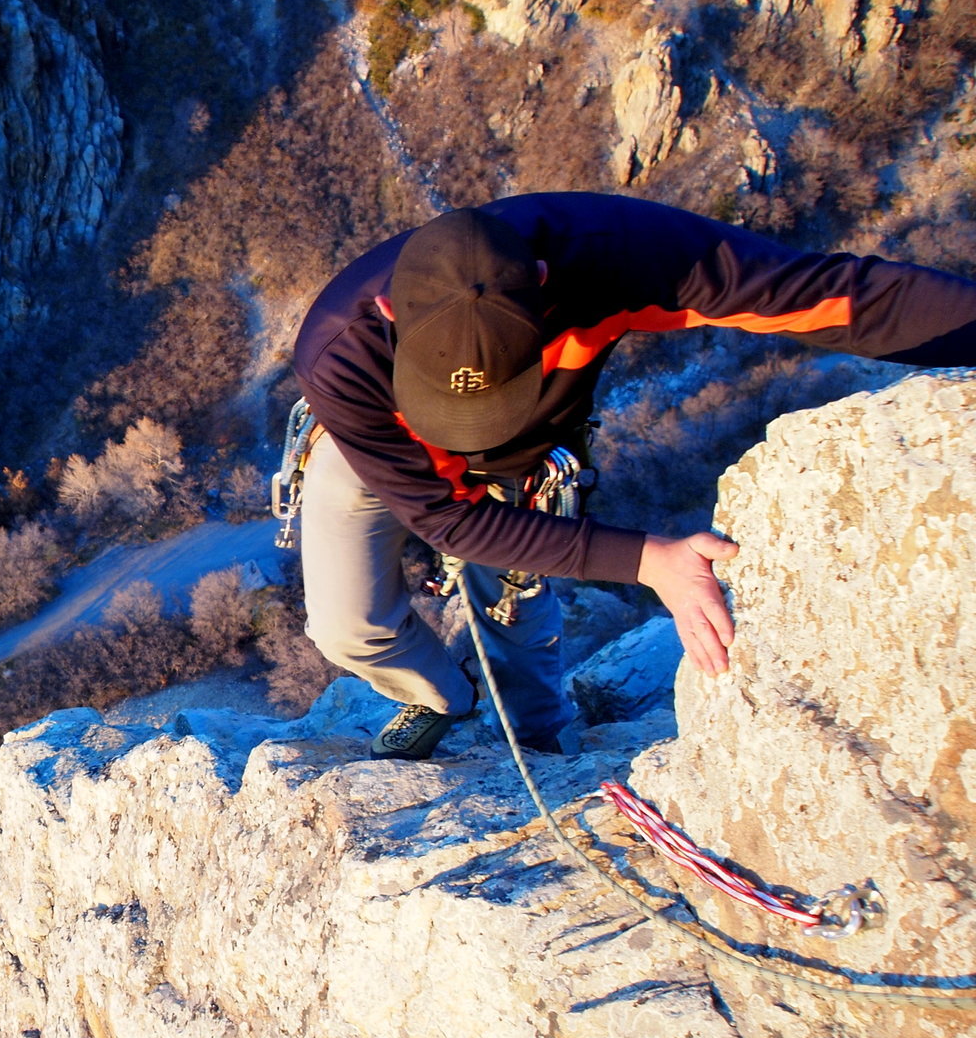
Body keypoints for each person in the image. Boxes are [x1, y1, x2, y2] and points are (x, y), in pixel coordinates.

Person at [289, 191, 976, 760]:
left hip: (525, 451)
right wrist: (648, 560)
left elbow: (830, 297)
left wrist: (650, 559)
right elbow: (445, 516)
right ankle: (442, 696)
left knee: (516, 604)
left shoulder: (614, 256)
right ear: (387, 313)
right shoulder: (338, 348)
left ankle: (535, 739)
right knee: (347, 625)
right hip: (377, 448)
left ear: (543, 290)